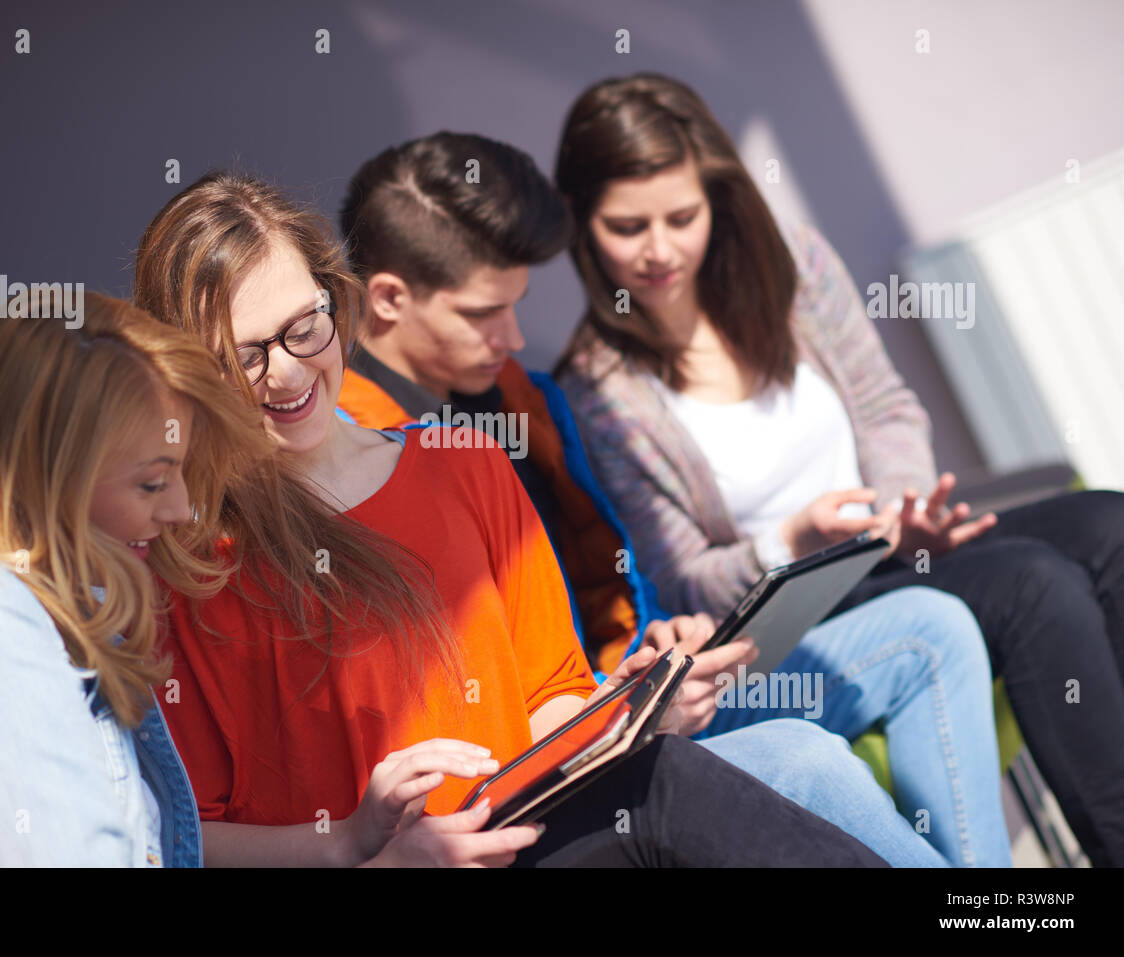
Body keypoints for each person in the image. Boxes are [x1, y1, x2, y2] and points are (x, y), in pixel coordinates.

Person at [131, 169, 963, 867]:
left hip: (534, 820)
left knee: (806, 757)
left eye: (301, 328)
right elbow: (184, 831)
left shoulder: (462, 458)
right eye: (242, 355)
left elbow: (548, 702)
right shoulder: (188, 561)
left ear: (333, 302)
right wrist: (354, 846)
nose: (285, 373)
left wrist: (636, 711)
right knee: (688, 782)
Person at [333, 131, 1011, 867]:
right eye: (483, 313)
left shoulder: (526, 401)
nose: (514, 336)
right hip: (562, 752)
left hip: (635, 695)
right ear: (389, 298)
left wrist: (661, 641)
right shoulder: (364, 464)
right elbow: (465, 702)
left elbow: (610, 579)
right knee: (804, 757)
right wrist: (618, 704)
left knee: (931, 626)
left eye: (516, 305)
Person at [551, 71, 1124, 867]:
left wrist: (899, 509)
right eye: (627, 226)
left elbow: (887, 406)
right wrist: (789, 539)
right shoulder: (597, 391)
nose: (659, 250)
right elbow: (680, 581)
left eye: (682, 217)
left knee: (1107, 519)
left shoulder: (794, 267)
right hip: (792, 616)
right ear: (582, 226)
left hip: (882, 554)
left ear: (716, 195)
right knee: (1034, 581)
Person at [0, 292, 512, 868]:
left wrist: (348, 842)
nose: (181, 508)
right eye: (152, 481)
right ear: (52, 479)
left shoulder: (15, 599)